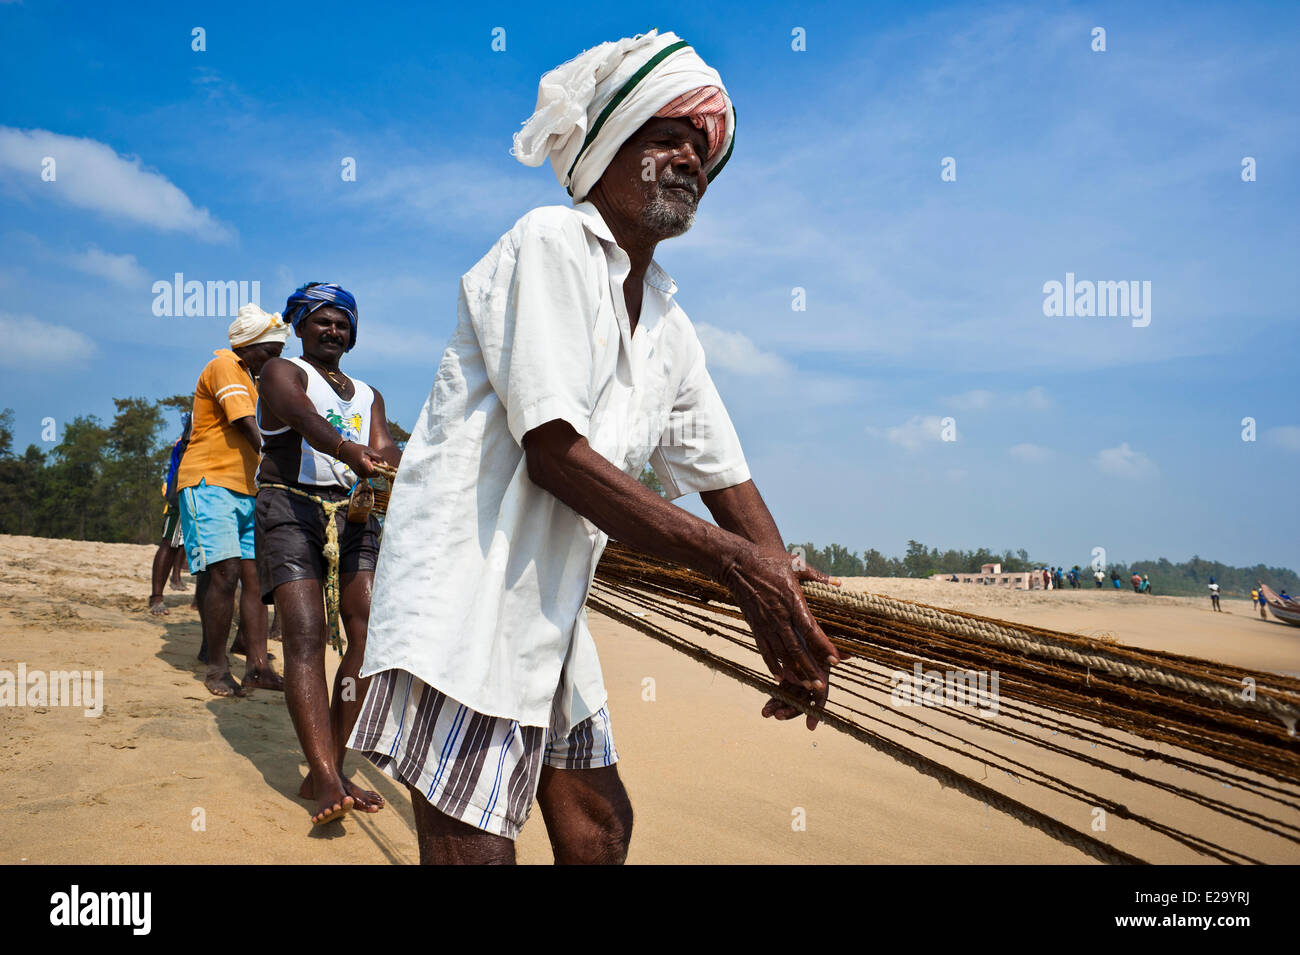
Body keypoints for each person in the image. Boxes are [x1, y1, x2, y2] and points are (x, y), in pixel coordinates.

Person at [348, 30, 840, 864]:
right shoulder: (550, 244)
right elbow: (553, 450)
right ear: (610, 150)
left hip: (552, 607)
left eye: (701, 145)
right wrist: (736, 566)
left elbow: (726, 479)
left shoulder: (671, 327)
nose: (689, 156)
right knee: (473, 848)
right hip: (469, 598)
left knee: (599, 829)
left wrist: (786, 608)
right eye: (665, 136)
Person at [255, 282, 402, 825]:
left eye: (343, 323)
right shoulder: (282, 372)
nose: (333, 330)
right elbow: (298, 414)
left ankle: (329, 768)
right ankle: (325, 779)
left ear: (354, 334)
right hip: (290, 510)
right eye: (322, 320)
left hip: (354, 514)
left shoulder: (368, 394)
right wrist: (346, 449)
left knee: (369, 637)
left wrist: (403, 466)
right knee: (305, 636)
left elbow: (384, 446)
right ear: (300, 326)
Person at [177, 304, 287, 696]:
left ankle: (258, 666)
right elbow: (245, 424)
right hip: (210, 482)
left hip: (248, 488)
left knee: (255, 581)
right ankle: (217, 666)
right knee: (224, 573)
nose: (275, 361)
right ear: (248, 345)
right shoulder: (226, 366)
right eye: (270, 353)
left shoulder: (255, 380)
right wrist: (281, 461)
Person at [149, 413, 193, 615]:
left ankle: (199, 600)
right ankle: (156, 597)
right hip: (183, 489)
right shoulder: (186, 434)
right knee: (171, 542)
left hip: (211, 489)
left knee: (204, 548)